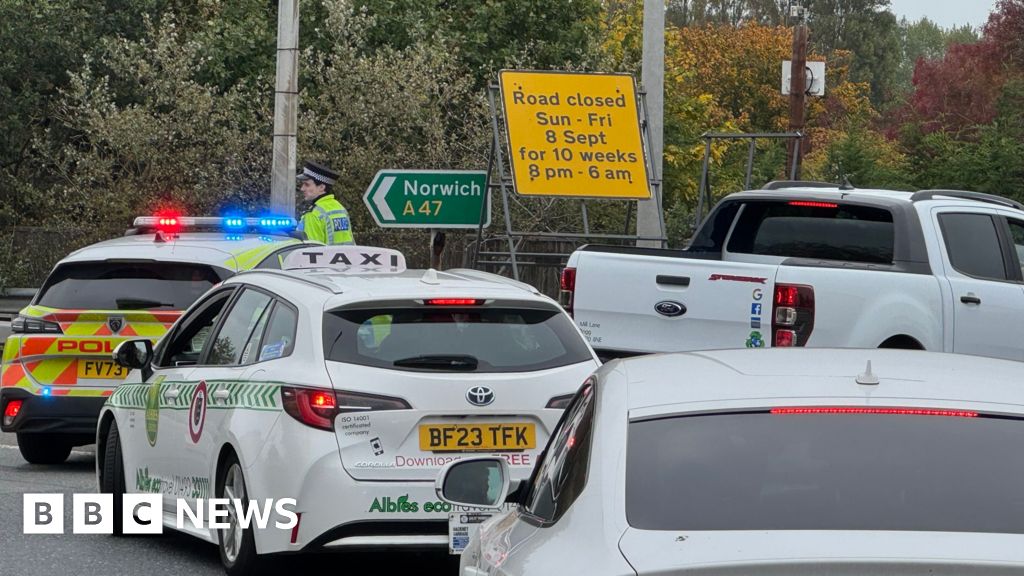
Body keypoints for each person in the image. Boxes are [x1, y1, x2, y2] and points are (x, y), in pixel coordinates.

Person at [296, 160, 355, 245]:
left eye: (307, 185)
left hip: (325, 258)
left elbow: (311, 252)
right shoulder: (340, 209)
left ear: (321, 187)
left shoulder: (313, 214)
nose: (302, 188)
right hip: (345, 258)